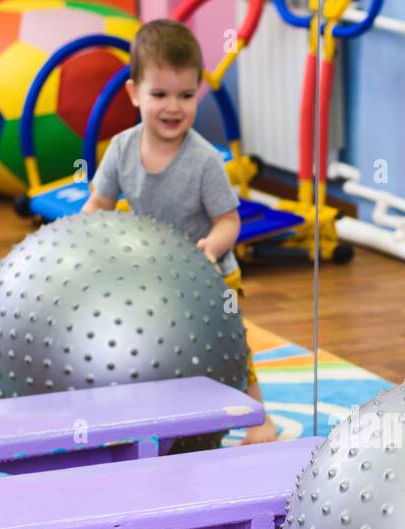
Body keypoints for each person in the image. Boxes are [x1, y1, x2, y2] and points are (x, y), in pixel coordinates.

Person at [82, 18, 277, 444]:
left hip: (208, 275)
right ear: (134, 93)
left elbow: (229, 219)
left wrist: (212, 247)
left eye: (186, 96)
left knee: (231, 349)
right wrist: (81, 239)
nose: (174, 107)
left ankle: (260, 418)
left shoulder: (205, 160)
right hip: (151, 278)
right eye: (160, 95)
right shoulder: (121, 149)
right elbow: (98, 204)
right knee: (156, 346)